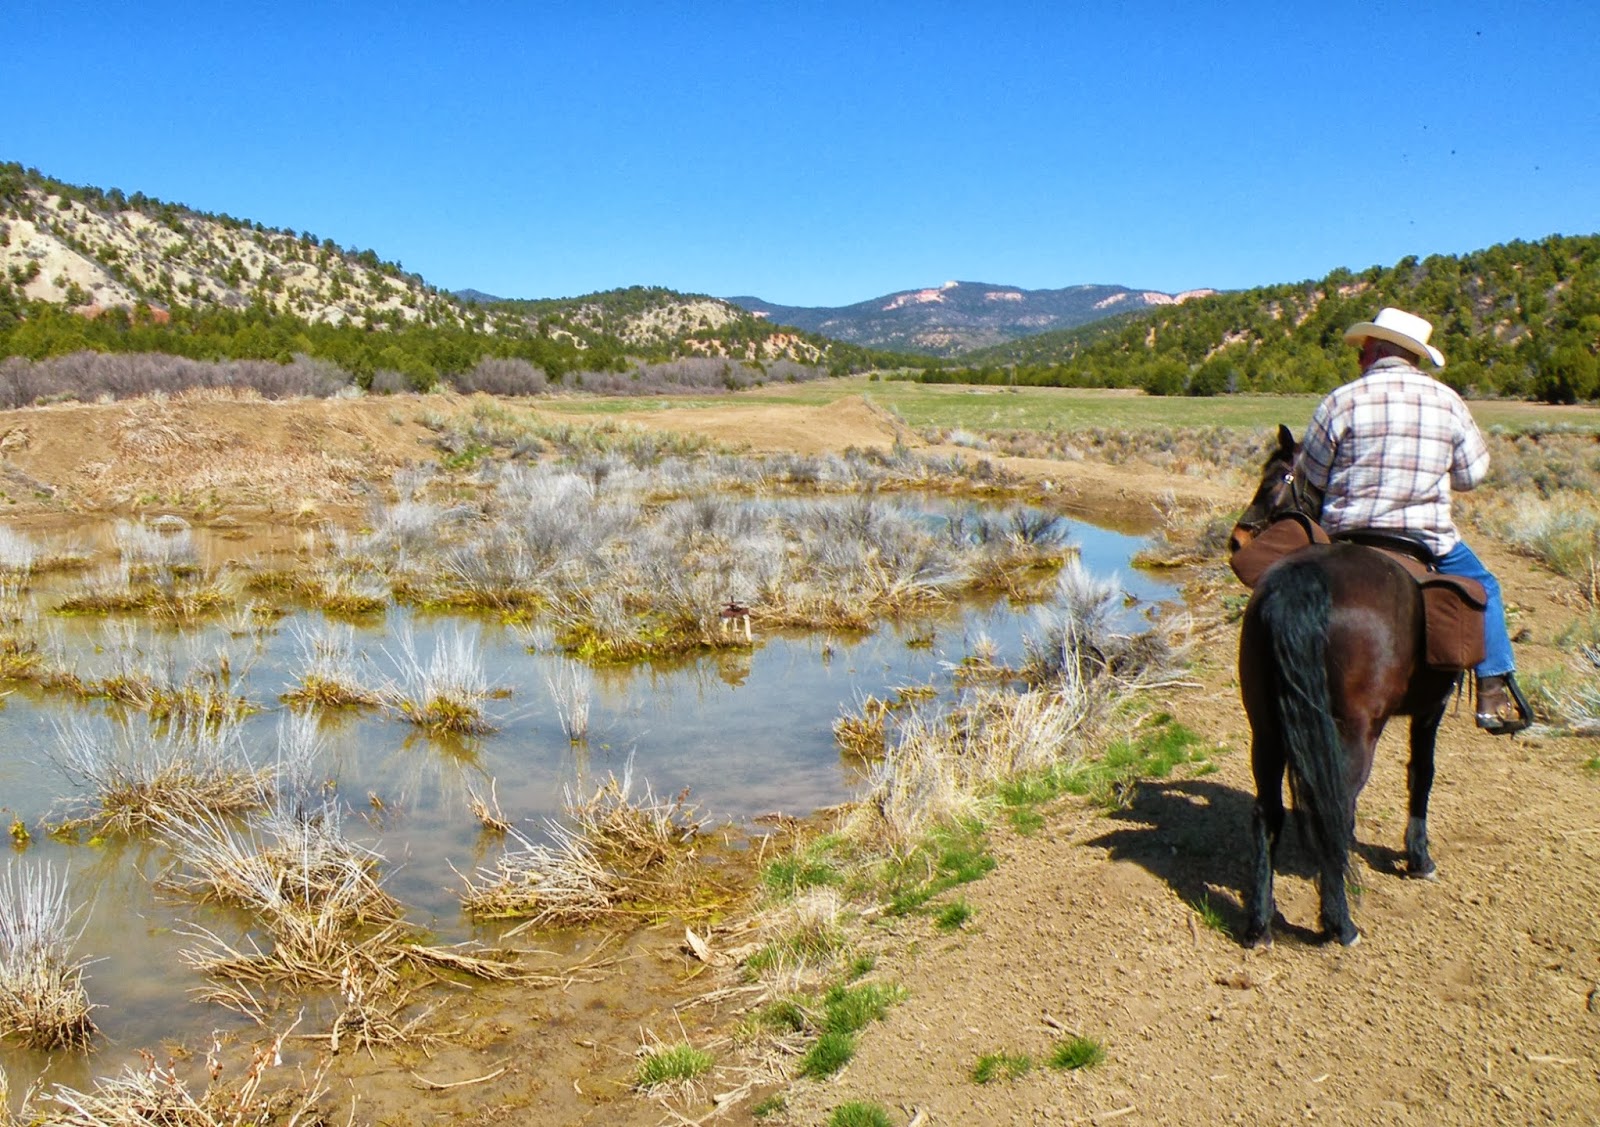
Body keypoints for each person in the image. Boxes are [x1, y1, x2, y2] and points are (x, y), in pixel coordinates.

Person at [1295, 306, 1531, 734]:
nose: (1359, 358)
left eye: (1362, 351)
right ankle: (1492, 690)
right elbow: (1471, 476)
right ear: (1413, 355)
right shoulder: (1448, 401)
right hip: (1427, 540)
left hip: (1346, 536)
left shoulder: (1340, 400)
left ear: (1376, 350)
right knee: (1485, 587)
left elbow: (1312, 474)